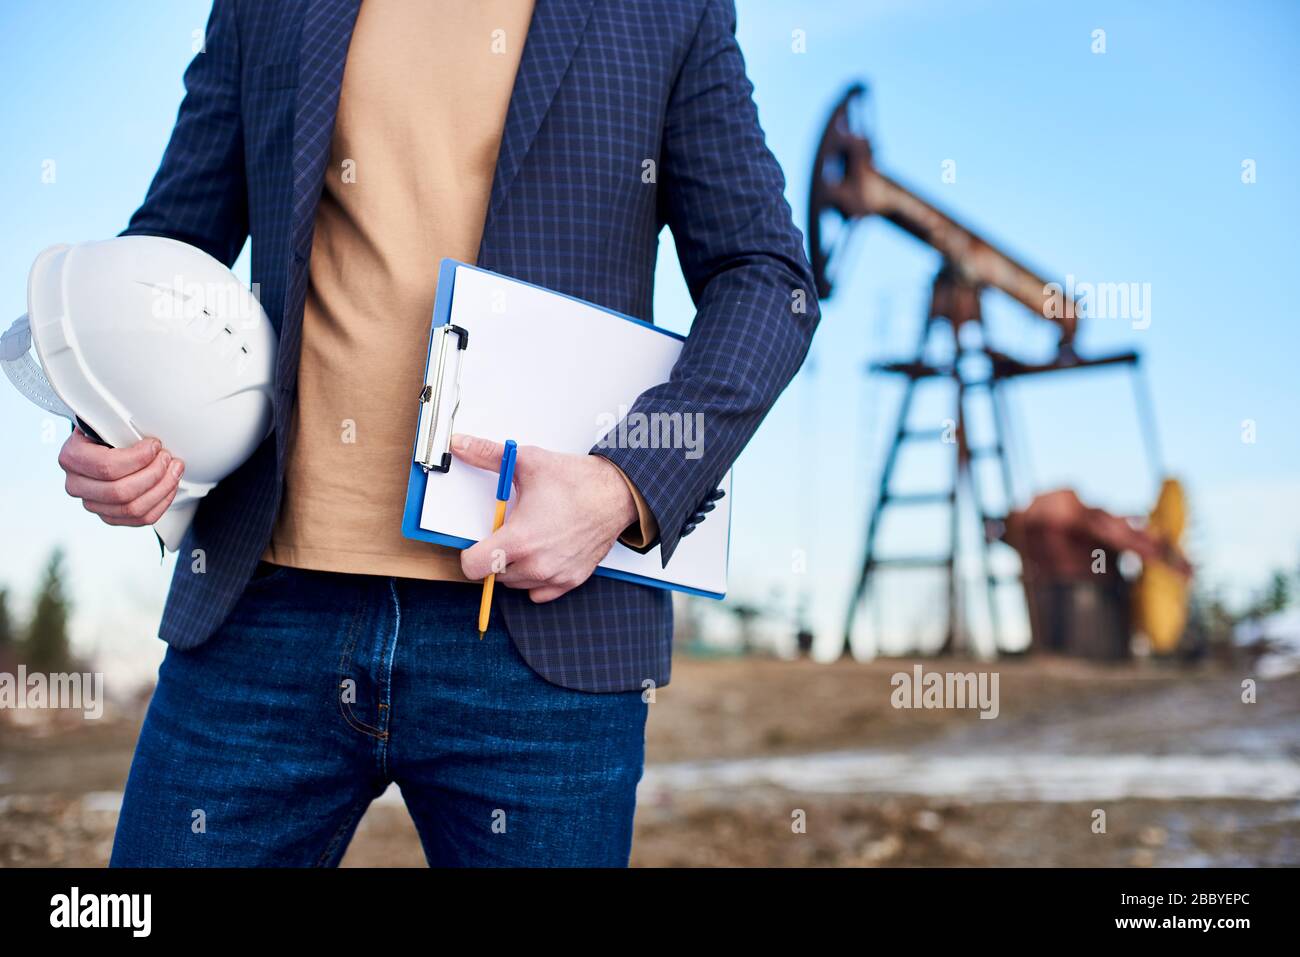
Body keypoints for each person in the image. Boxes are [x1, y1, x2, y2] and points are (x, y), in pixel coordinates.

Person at [59, 0, 817, 866]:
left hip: (542, 635)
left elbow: (765, 279)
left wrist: (627, 485)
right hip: (259, 611)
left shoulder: (667, 11)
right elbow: (168, 253)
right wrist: (106, 415)